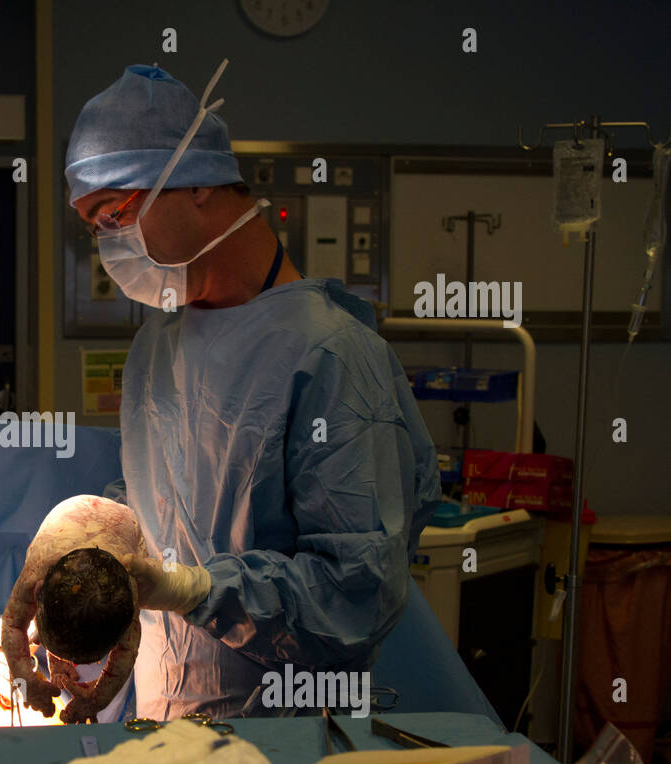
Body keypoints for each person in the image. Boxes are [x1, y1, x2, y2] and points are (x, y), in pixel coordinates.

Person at [65, 62, 441, 719]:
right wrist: (106, 539)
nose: (107, 244)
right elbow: (170, 506)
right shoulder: (156, 348)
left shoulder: (331, 356)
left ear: (200, 183)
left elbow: (355, 592)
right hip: (167, 719)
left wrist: (195, 589)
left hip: (291, 738)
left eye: (115, 214)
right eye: (93, 227)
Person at [3, 494, 148, 723]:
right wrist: (25, 683)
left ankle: (57, 646)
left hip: (124, 524)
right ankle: (57, 655)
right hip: (66, 521)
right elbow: (11, 624)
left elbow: (126, 651)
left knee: (66, 609)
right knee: (63, 607)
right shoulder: (37, 571)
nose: (81, 666)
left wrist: (96, 698)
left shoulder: (130, 584)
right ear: (38, 593)